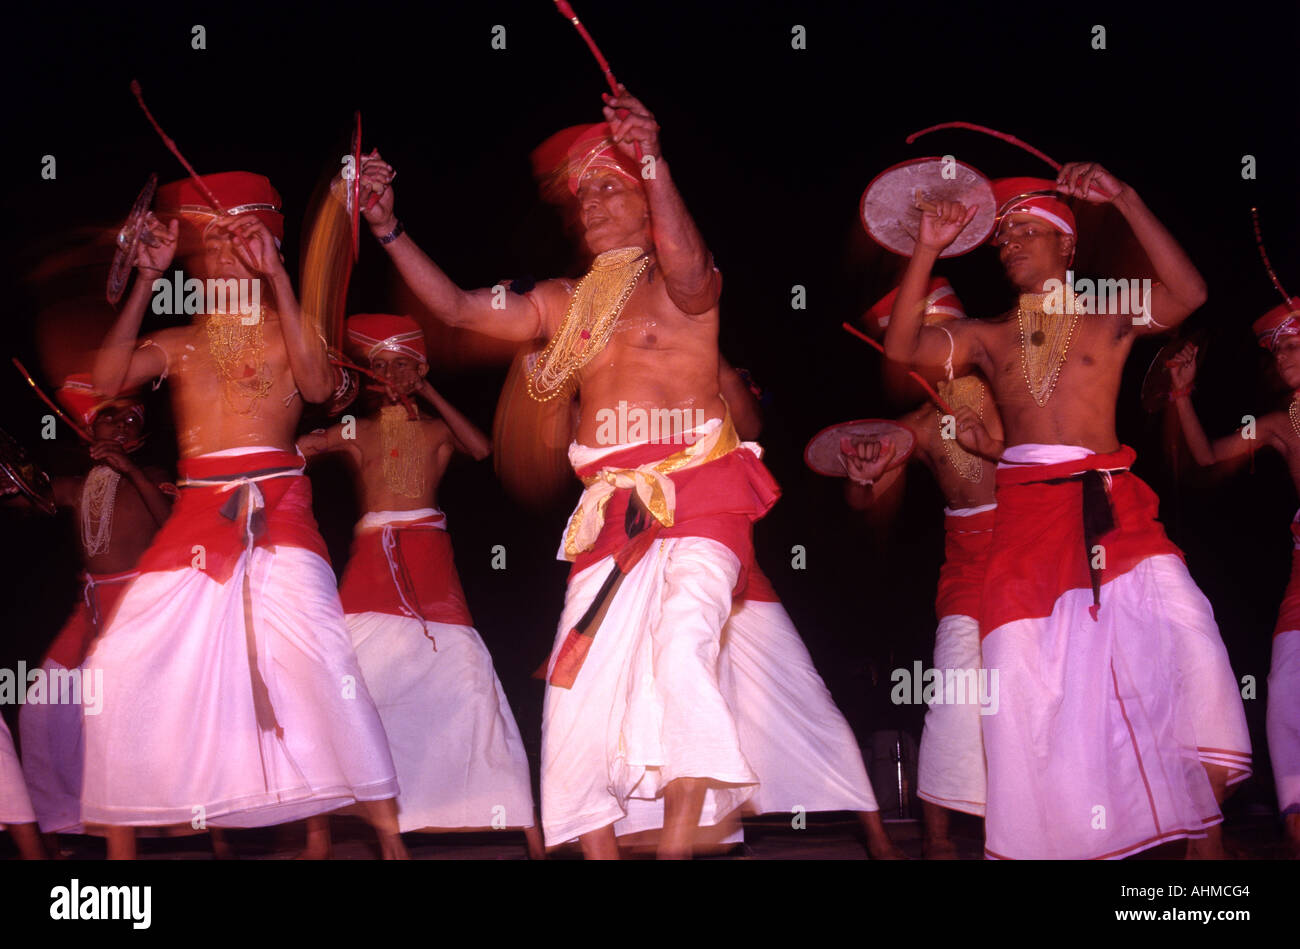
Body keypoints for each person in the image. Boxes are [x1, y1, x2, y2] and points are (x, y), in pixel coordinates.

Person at [354, 89, 780, 858]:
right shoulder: (564, 303)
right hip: (609, 513)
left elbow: (687, 261)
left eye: (608, 187)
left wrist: (651, 160)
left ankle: (680, 844)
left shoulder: (688, 287)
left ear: (649, 200)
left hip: (702, 493)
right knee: (574, 688)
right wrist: (387, 228)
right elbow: (454, 308)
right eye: (583, 193)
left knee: (684, 648)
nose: (589, 204)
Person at [883, 165, 1251, 859]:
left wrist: (1125, 198)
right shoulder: (990, 336)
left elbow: (1190, 292)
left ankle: (1206, 860)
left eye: (1028, 230)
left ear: (1067, 248)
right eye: (1003, 235)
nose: (1010, 242)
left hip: (1113, 508)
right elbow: (903, 350)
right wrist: (927, 248)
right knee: (1028, 690)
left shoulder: (1109, 313)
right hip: (1024, 526)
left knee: (1185, 644)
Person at [84, 171, 404, 859]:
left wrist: (280, 284)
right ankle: (119, 861)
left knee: (316, 660)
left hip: (280, 505)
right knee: (119, 658)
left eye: (238, 243)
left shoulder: (289, 329)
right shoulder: (181, 342)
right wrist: (145, 277)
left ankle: (389, 842)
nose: (220, 259)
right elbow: (104, 381)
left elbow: (319, 385)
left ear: (266, 249)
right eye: (208, 248)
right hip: (197, 513)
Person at [298, 313, 543, 859]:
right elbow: (298, 449)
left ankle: (527, 828)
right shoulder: (356, 430)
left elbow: (480, 448)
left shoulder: (437, 429)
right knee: (348, 687)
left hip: (432, 564)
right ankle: (346, 837)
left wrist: (427, 390)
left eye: (400, 365)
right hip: (371, 564)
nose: (389, 375)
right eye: (378, 366)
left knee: (467, 682)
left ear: (419, 368)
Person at [839, 278, 1000, 858]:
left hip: (1039, 547)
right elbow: (868, 492)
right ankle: (937, 841)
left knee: (1045, 692)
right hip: (969, 561)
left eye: (942, 339)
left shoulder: (1018, 388)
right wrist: (861, 479)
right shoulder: (920, 425)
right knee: (956, 696)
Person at [1168, 302, 1300, 857]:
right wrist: (1181, 394)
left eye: (1294, 344)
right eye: (1277, 348)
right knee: (1285, 707)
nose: (1282, 355)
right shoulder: (1279, 424)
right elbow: (1204, 457)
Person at [17, 377, 171, 849]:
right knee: (43, 707)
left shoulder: (155, 471)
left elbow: (171, 520)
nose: (123, 423)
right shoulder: (76, 485)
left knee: (126, 717)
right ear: (92, 426)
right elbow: (28, 500)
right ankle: (69, 819)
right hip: (88, 609)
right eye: (113, 415)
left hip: (135, 606)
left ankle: (158, 816)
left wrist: (132, 470)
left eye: (132, 419)